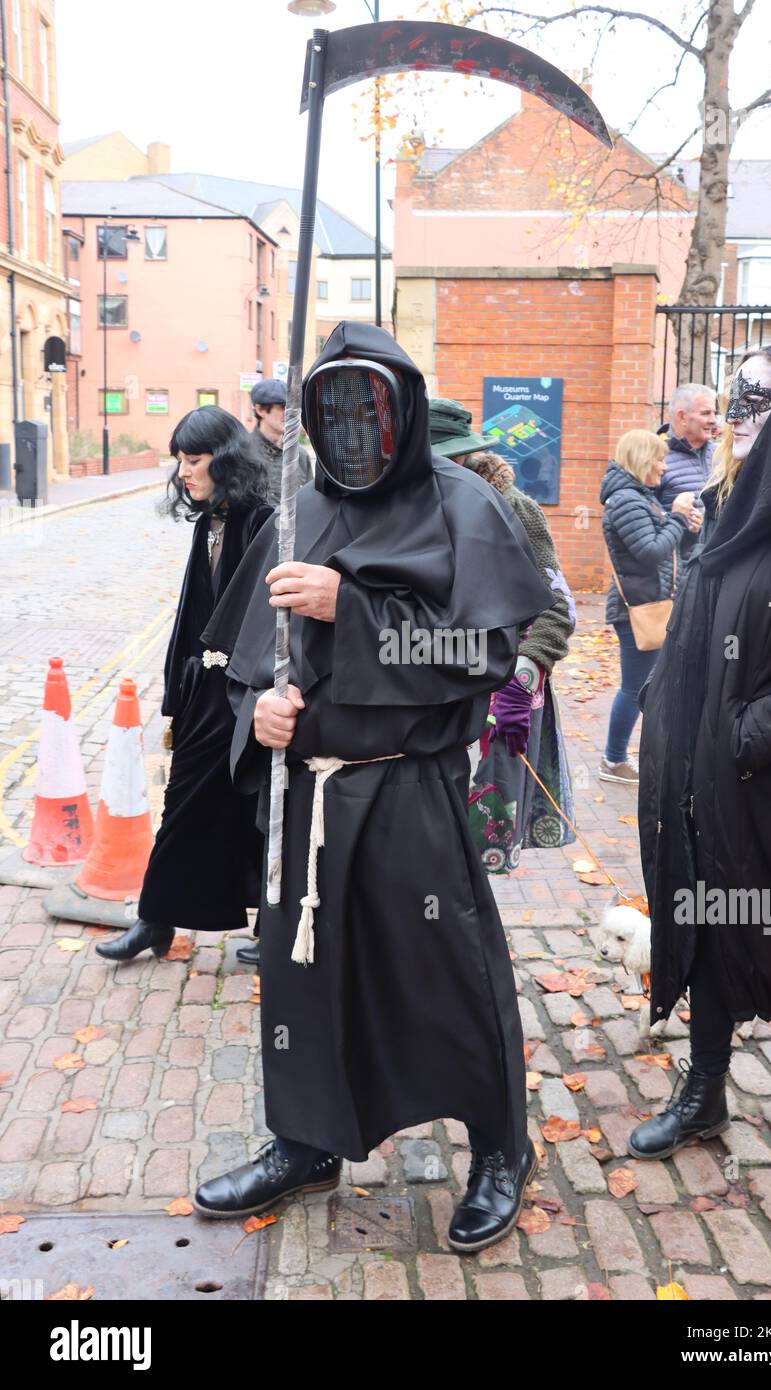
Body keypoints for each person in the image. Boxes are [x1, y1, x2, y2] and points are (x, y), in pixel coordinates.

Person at [192, 324, 554, 1252]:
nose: (354, 430)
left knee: (447, 975)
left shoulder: (462, 506)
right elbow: (245, 663)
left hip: (408, 790)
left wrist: (349, 609)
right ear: (314, 419)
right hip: (305, 798)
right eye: (335, 412)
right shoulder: (296, 510)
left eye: (371, 410)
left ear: (402, 410)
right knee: (302, 981)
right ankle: (306, 1138)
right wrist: (258, 715)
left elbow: (483, 651)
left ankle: (500, 1147)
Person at [628, 342, 771, 1161]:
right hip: (708, 763)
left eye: (756, 403)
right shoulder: (731, 500)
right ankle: (704, 1092)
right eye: (734, 402)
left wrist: (754, 729)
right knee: (707, 907)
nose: (735, 420)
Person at [95, 407, 273, 962]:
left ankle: (271, 926)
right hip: (206, 694)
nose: (184, 472)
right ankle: (158, 919)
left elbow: (269, 620)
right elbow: (191, 617)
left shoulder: (262, 521)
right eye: (180, 460)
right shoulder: (210, 522)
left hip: (248, 696)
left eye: (194, 459)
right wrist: (181, 692)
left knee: (258, 808)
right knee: (185, 804)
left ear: (225, 458)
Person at [428, 398, 577, 870]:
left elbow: (558, 606)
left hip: (501, 693)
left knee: (481, 842)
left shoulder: (513, 507)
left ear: (465, 455)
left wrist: (524, 672)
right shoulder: (411, 507)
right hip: (431, 694)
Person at [600, 429, 701, 785]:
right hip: (638, 609)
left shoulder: (640, 496)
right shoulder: (626, 500)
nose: (664, 466)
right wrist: (677, 517)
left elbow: (666, 548)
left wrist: (687, 529)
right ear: (642, 460)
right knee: (635, 688)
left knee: (650, 684)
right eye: (659, 459)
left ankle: (631, 756)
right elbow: (650, 552)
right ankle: (613, 760)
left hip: (652, 604)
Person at [656, 384, 717, 553]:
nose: (713, 420)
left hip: (718, 562)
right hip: (678, 565)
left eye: (714, 413)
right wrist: (681, 520)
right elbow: (641, 523)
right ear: (682, 416)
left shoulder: (720, 456)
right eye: (705, 413)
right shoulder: (656, 458)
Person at [249, 377, 313, 506]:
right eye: (283, 407)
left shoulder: (300, 456)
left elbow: (310, 503)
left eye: (293, 407)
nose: (290, 413)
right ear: (260, 410)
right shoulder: (242, 453)